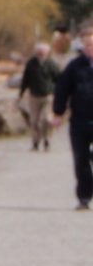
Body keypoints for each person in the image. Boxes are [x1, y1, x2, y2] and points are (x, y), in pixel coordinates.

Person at [51, 28, 93, 210]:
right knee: (80, 160)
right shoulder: (74, 66)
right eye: (88, 44)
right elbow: (62, 90)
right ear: (83, 46)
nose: (90, 48)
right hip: (80, 121)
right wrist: (58, 113)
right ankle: (84, 196)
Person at [20, 42, 60, 152]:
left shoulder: (52, 64)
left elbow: (59, 79)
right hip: (34, 96)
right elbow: (25, 79)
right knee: (34, 121)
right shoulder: (31, 63)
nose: (41, 53)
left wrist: (60, 93)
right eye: (39, 51)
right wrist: (21, 92)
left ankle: (46, 140)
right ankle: (35, 142)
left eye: (43, 51)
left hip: (48, 96)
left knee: (47, 119)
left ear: (47, 52)